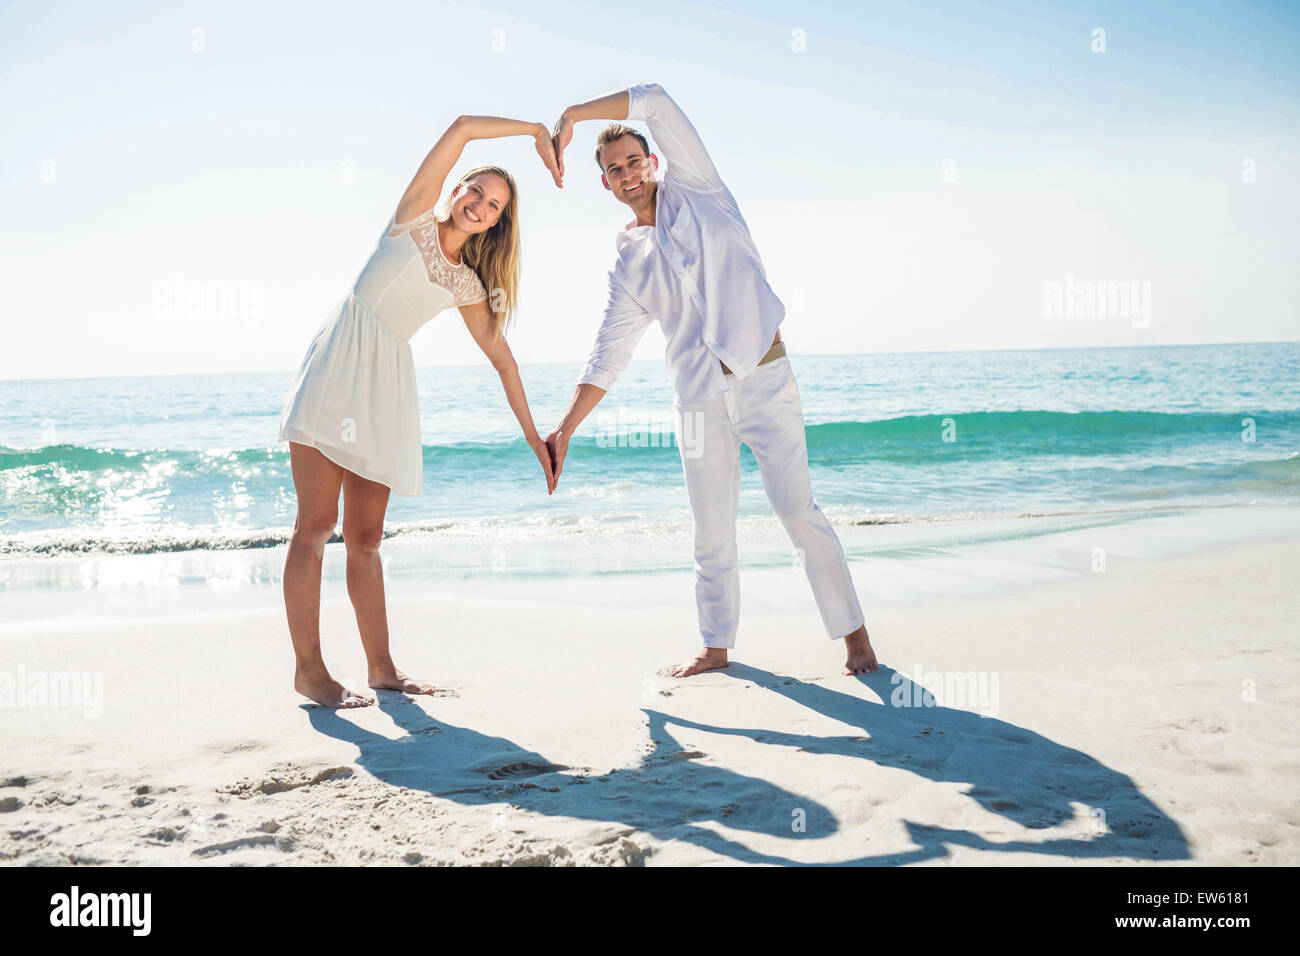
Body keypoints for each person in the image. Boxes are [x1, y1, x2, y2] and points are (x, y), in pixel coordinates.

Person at [545, 83, 878, 678]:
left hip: (763, 377)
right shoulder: (627, 260)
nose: (627, 174)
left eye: (633, 161)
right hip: (698, 399)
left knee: (797, 510)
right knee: (711, 531)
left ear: (652, 161)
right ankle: (716, 645)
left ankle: (857, 641)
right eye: (614, 169)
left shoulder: (700, 188)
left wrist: (574, 114)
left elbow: (655, 100)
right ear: (605, 183)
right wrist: (565, 429)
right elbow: (607, 354)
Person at [278, 114, 560, 708]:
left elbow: (504, 362)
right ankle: (310, 670)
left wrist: (536, 437)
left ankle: (382, 669)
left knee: (366, 537)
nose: (479, 206)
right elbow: (460, 128)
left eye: (493, 206)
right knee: (314, 528)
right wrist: (534, 129)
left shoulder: (467, 284)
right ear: (455, 189)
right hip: (338, 367)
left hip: (385, 388)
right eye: (475, 191)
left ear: (498, 223)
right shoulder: (410, 219)